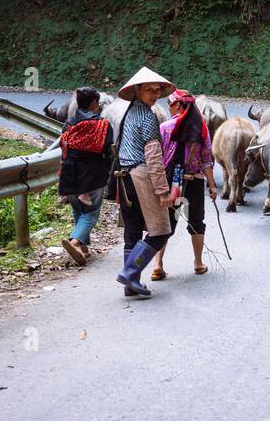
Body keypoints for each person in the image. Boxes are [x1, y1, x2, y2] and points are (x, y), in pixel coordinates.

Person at [112, 67, 176, 299]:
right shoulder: (148, 116)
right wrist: (162, 191)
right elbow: (154, 157)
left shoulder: (129, 113)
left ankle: (131, 284)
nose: (154, 93)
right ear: (137, 90)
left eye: (157, 90)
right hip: (141, 176)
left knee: (133, 230)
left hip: (124, 177)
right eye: (148, 89)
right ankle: (130, 273)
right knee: (160, 231)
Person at [151, 90, 218, 280]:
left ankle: (157, 265)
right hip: (194, 182)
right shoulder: (201, 128)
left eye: (171, 104)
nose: (169, 107)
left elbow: (159, 158)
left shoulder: (165, 127)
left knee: (166, 223)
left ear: (179, 105)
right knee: (197, 222)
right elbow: (206, 160)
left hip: (173, 183)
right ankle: (198, 263)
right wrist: (212, 186)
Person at [58, 86, 114, 265]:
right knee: (91, 213)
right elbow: (108, 151)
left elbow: (64, 146)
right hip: (92, 175)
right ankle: (75, 242)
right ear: (94, 103)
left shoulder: (68, 124)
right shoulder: (102, 125)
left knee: (78, 210)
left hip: (69, 173)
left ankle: (83, 248)